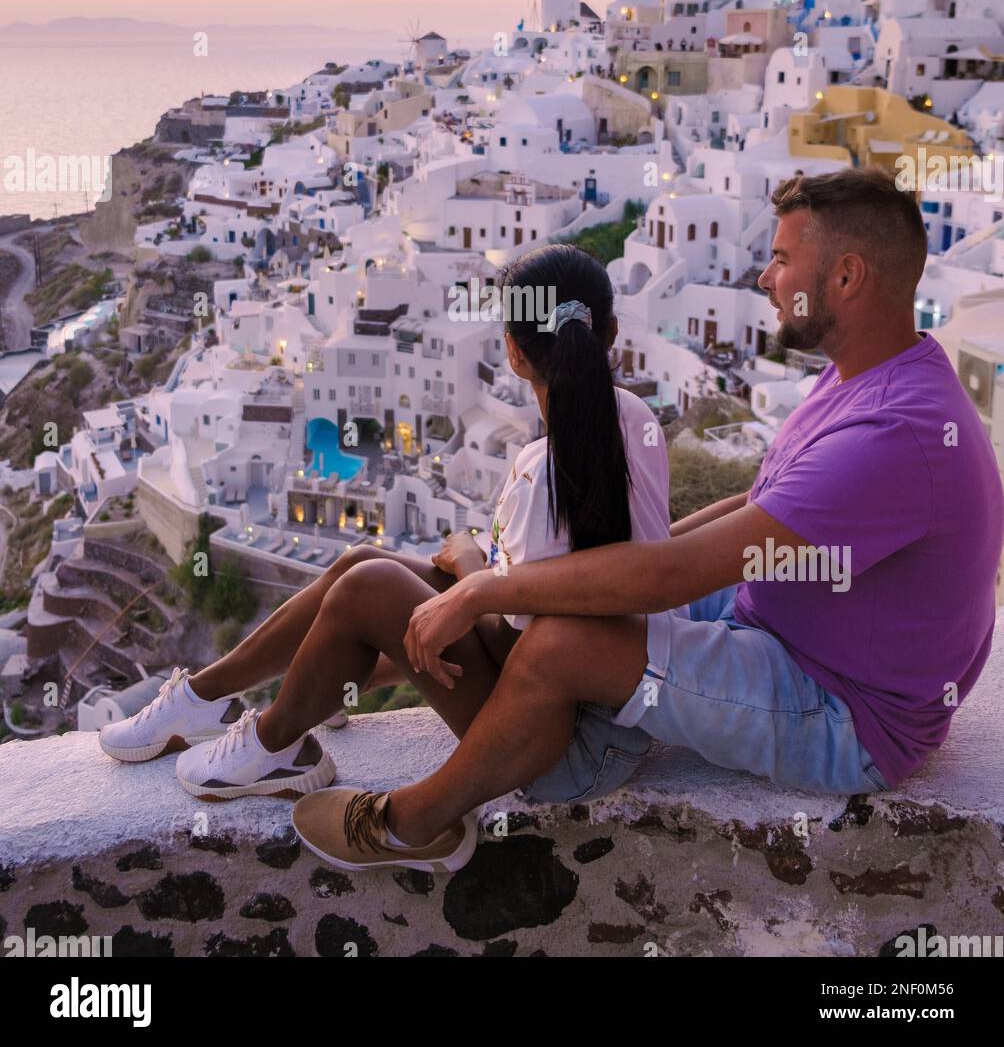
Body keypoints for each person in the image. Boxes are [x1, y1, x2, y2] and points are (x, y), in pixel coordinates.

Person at [294, 167, 1002, 873]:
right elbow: (750, 514)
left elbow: (668, 576)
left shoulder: (895, 434)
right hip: (784, 620)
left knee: (561, 642)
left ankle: (410, 826)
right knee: (583, 587)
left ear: (846, 276)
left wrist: (487, 588)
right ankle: (379, 657)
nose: (764, 277)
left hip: (845, 712)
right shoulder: (865, 374)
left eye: (784, 259)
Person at [98, 246, 671, 857]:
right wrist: (466, 580)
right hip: (610, 713)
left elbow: (514, 642)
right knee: (358, 564)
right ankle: (202, 698)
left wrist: (472, 567)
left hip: (560, 745)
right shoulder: (635, 420)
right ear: (608, 332)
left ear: (513, 351)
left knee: (370, 585)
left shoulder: (542, 473)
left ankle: (274, 743)